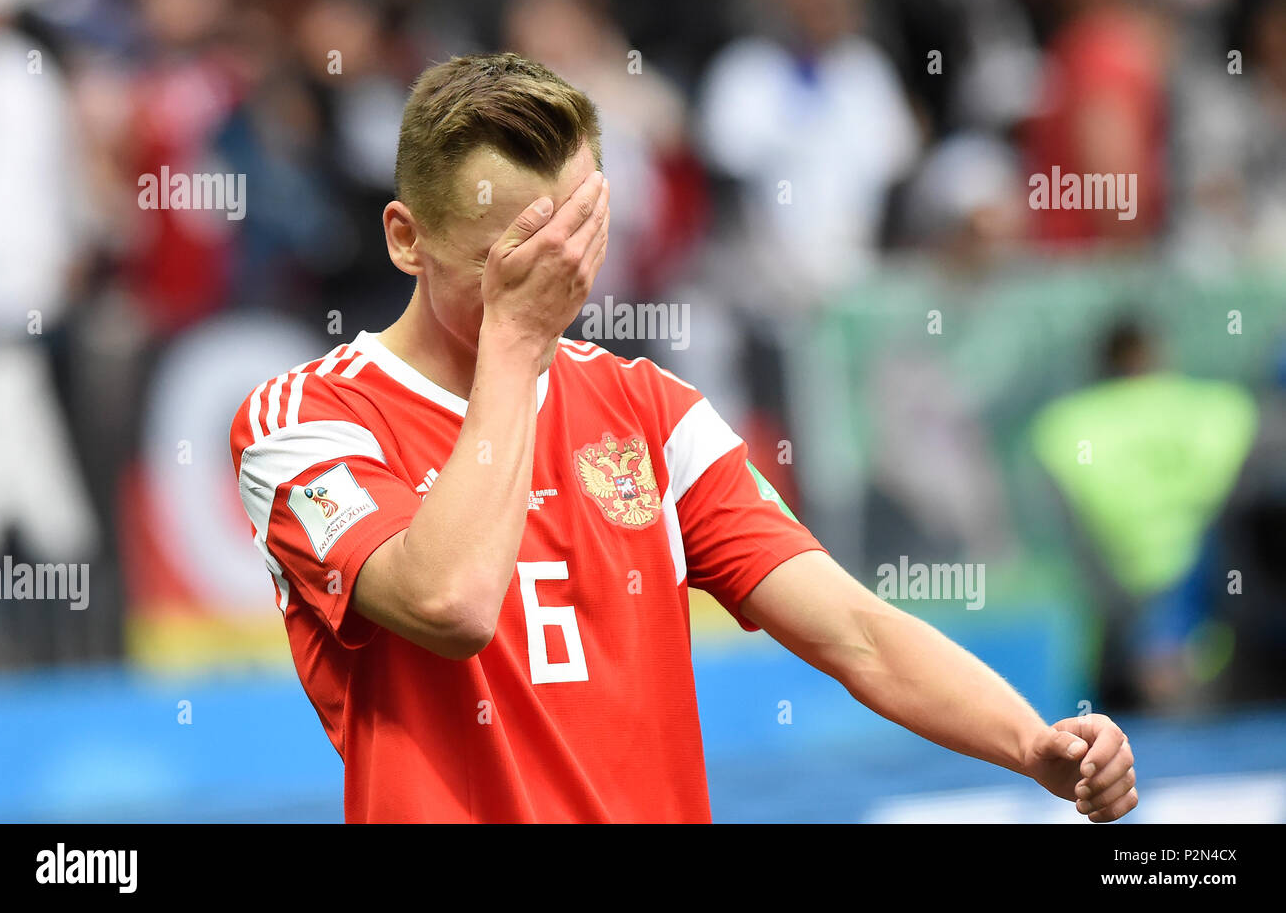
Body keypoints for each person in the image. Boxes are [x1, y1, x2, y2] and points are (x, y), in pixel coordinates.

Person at [229, 52, 1137, 823]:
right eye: (510, 261)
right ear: (405, 240)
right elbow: (452, 605)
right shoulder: (305, 425)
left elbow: (854, 630)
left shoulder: (651, 415)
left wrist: (1032, 743)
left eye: (575, 243)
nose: (553, 282)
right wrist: (514, 347)